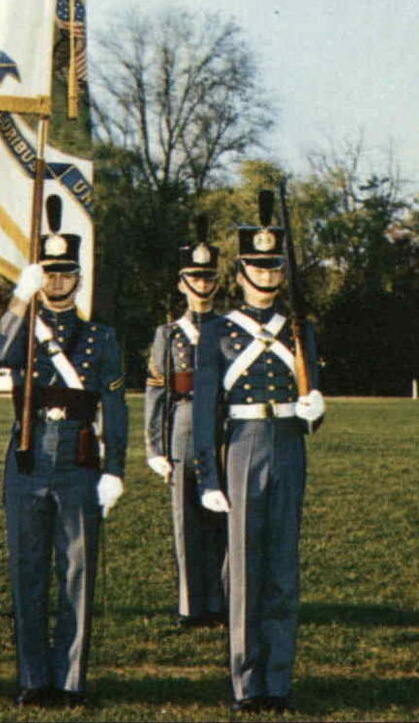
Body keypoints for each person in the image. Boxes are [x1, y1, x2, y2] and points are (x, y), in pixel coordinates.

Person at [0, 201, 127, 707]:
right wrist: (19, 298)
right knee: (27, 571)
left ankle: (70, 680)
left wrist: (115, 469)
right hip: (26, 457)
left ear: (78, 278)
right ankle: (32, 678)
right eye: (50, 273)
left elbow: (114, 405)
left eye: (66, 273)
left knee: (77, 572)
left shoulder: (101, 337)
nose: (59, 282)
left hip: (78, 457)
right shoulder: (23, 328)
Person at [192, 191, 325, 713]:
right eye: (257, 267)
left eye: (274, 267)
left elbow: (314, 395)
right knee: (245, 569)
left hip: (289, 445)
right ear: (241, 270)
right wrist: (208, 477)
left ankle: (278, 677)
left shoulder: (299, 329)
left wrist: (316, 409)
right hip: (243, 447)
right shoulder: (217, 331)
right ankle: (247, 682)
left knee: (283, 568)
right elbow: (205, 411)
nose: (267, 277)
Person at [143, 219, 227, 628]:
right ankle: (192, 605)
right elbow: (157, 393)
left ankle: (224, 600)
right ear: (181, 283)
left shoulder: (230, 329)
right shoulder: (168, 333)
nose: (202, 284)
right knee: (186, 520)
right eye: (194, 276)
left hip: (225, 432)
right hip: (181, 430)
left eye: (208, 276)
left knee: (225, 519)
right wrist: (155, 449)